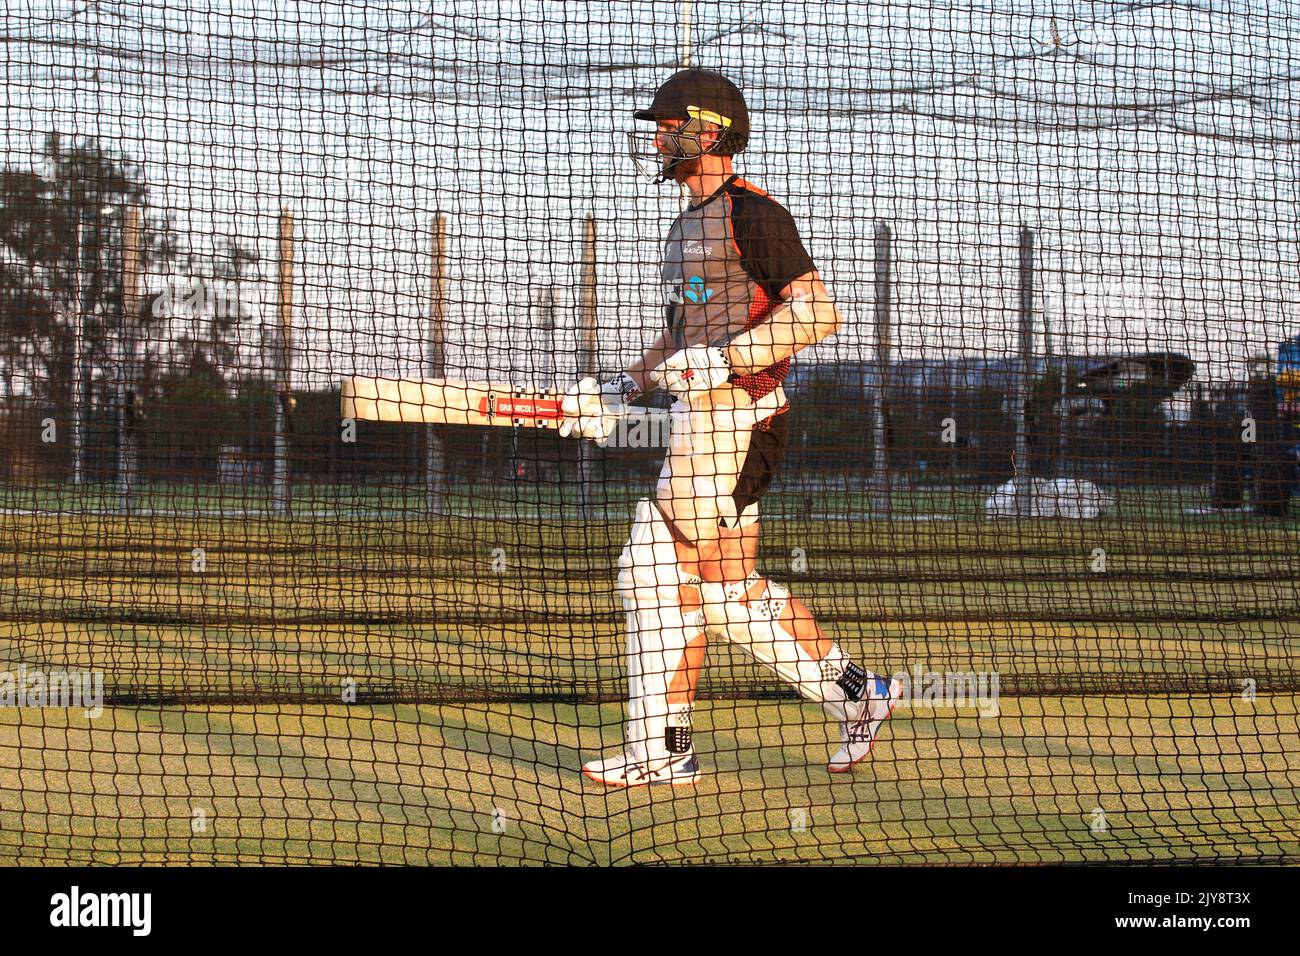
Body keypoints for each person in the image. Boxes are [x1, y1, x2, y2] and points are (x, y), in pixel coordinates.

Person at [562, 69, 902, 787]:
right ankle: (857, 692)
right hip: (705, 420)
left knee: (650, 571)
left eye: (665, 124)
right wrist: (621, 389)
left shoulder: (754, 215)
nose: (655, 137)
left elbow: (815, 313)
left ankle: (665, 748)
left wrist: (724, 361)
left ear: (705, 130)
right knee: (721, 587)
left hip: (738, 418)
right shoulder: (683, 229)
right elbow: (678, 336)